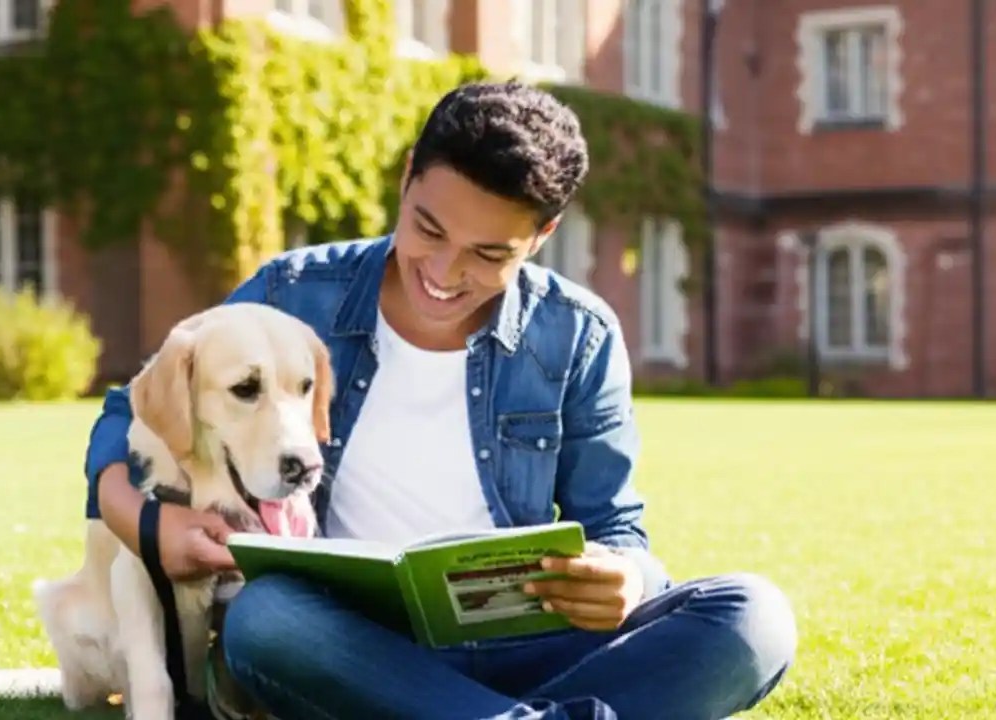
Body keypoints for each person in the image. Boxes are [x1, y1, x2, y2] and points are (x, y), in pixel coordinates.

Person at [83, 81, 797, 720]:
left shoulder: (577, 334)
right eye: (429, 229)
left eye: (489, 254)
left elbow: (615, 528)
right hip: (351, 644)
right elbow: (128, 410)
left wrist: (626, 577)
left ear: (542, 237)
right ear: (406, 181)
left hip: (532, 640)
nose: (445, 273)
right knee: (264, 619)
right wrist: (146, 525)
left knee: (753, 616)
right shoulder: (294, 292)